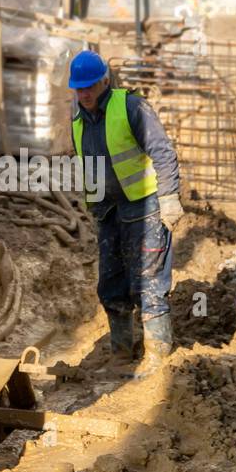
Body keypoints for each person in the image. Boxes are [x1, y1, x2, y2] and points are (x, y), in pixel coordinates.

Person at [69, 50, 183, 374]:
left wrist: (170, 197)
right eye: (79, 89)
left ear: (105, 80)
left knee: (147, 281)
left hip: (145, 207)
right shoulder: (77, 118)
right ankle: (121, 352)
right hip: (108, 212)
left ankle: (158, 355)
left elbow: (162, 151)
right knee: (111, 282)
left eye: (89, 87)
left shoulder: (131, 107)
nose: (85, 94)